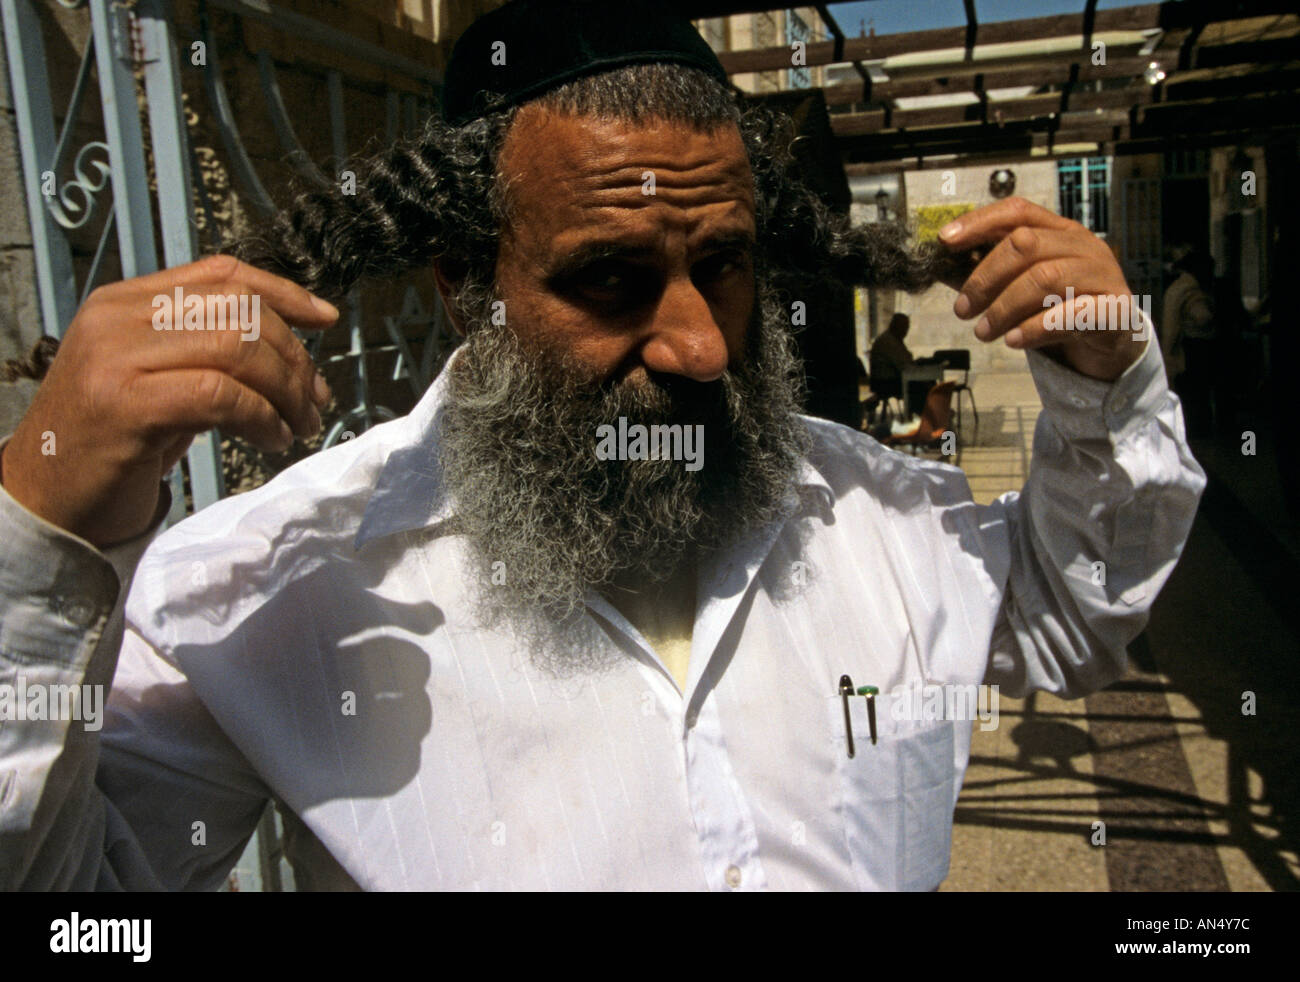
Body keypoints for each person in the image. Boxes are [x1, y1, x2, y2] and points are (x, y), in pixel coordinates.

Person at [0, 0, 1203, 891]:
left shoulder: (876, 509)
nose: (696, 348)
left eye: (721, 266)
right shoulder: (265, 588)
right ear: (466, 285)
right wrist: (41, 526)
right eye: (611, 281)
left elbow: (1070, 616)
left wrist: (1106, 388)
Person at [1160, 248, 1216, 437]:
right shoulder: (1193, 290)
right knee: (1197, 392)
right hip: (1193, 345)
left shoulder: (1177, 288)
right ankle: (1200, 429)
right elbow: (1202, 317)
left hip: (1181, 347)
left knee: (1188, 393)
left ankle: (1190, 428)